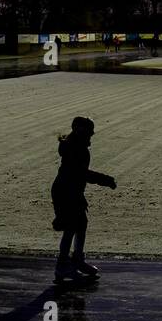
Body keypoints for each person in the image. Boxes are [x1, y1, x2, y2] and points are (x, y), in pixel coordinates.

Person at [50, 116, 116, 283]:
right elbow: (81, 173)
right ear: (81, 131)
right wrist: (105, 180)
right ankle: (63, 265)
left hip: (71, 190)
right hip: (66, 191)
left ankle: (76, 261)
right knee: (71, 228)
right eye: (90, 131)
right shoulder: (75, 148)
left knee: (80, 225)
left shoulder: (75, 146)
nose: (92, 134)